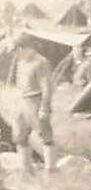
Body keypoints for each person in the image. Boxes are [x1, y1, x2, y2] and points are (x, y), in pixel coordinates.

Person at [8, 33, 57, 175]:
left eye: (16, 51)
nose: (15, 55)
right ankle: (26, 169)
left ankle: (50, 170)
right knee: (19, 136)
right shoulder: (20, 62)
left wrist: (44, 107)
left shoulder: (41, 62)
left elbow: (47, 88)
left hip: (36, 101)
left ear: (25, 48)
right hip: (22, 101)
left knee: (45, 135)